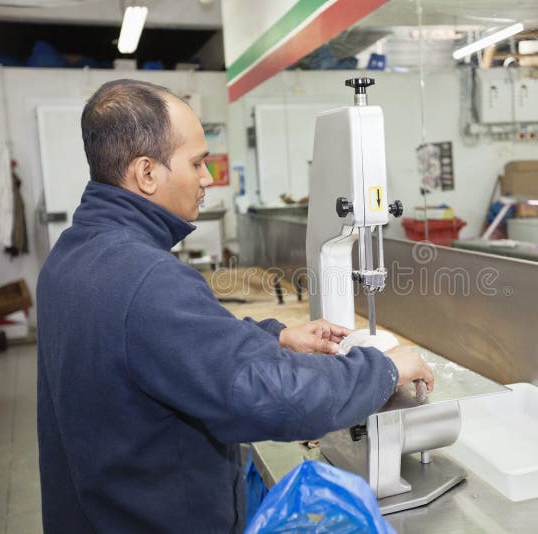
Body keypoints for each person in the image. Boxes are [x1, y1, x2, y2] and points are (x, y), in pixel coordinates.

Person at [36, 79, 434, 533]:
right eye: (197, 163)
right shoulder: (147, 280)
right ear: (146, 173)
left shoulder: (72, 256)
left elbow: (168, 343)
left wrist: (276, 337)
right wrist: (382, 369)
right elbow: (273, 398)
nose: (208, 178)